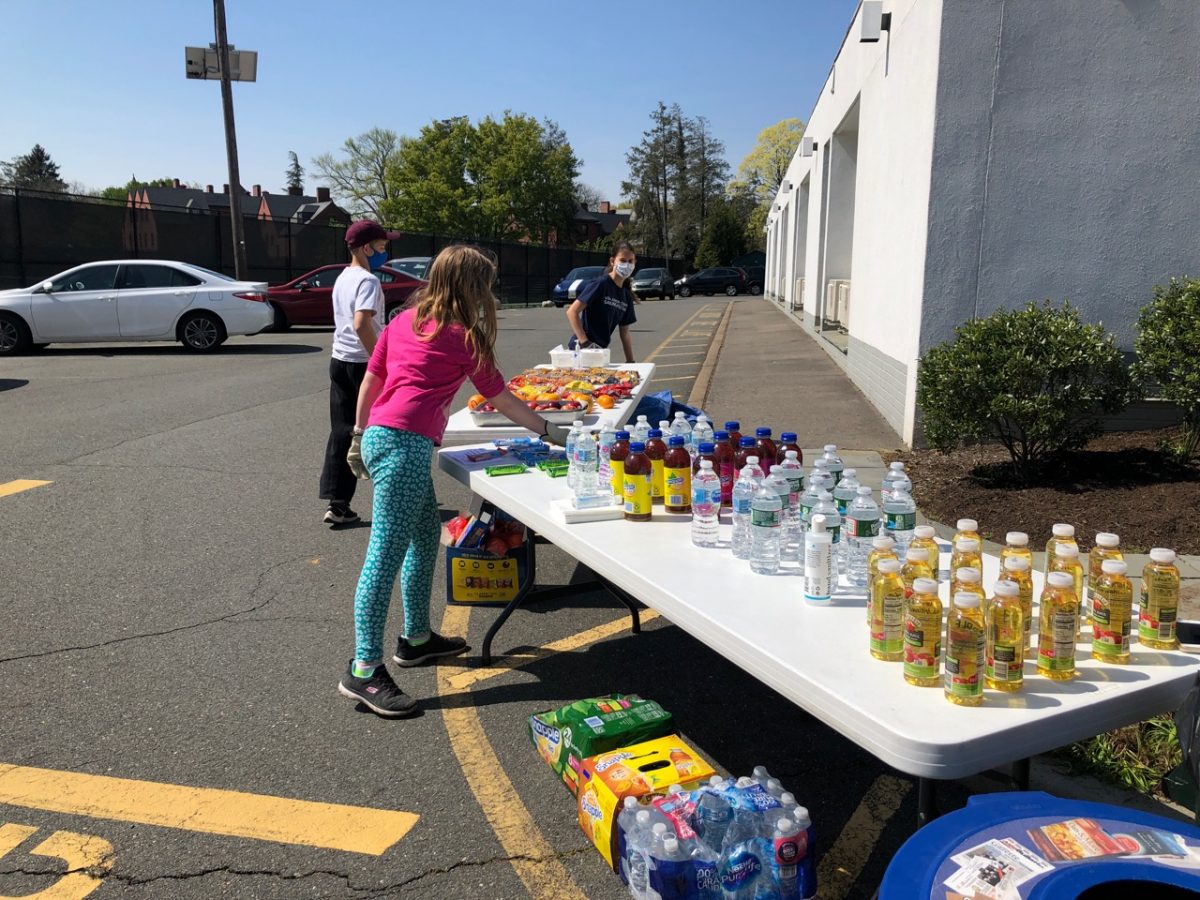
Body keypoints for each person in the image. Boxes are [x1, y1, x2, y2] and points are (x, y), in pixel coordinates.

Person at [338, 244, 570, 717]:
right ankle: (363, 669)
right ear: (471, 287)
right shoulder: (464, 337)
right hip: (404, 447)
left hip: (385, 436)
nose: (489, 293)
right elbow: (501, 399)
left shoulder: (402, 322)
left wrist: (359, 434)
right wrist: (548, 430)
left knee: (425, 536)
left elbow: (372, 380)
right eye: (485, 284)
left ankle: (417, 638)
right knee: (383, 557)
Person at [319, 219, 399, 526]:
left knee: (342, 431)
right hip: (363, 364)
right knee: (381, 429)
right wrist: (381, 359)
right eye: (381, 246)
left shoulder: (343, 277)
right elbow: (362, 323)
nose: (384, 252)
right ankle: (392, 495)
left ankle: (338, 504)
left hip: (339, 360)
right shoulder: (368, 281)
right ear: (366, 248)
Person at [565, 241, 638, 363]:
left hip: (599, 352)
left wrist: (631, 361)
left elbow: (624, 333)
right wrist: (585, 343)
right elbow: (572, 312)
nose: (627, 265)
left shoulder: (626, 295)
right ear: (612, 261)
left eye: (630, 261)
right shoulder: (601, 284)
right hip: (580, 351)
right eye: (623, 260)